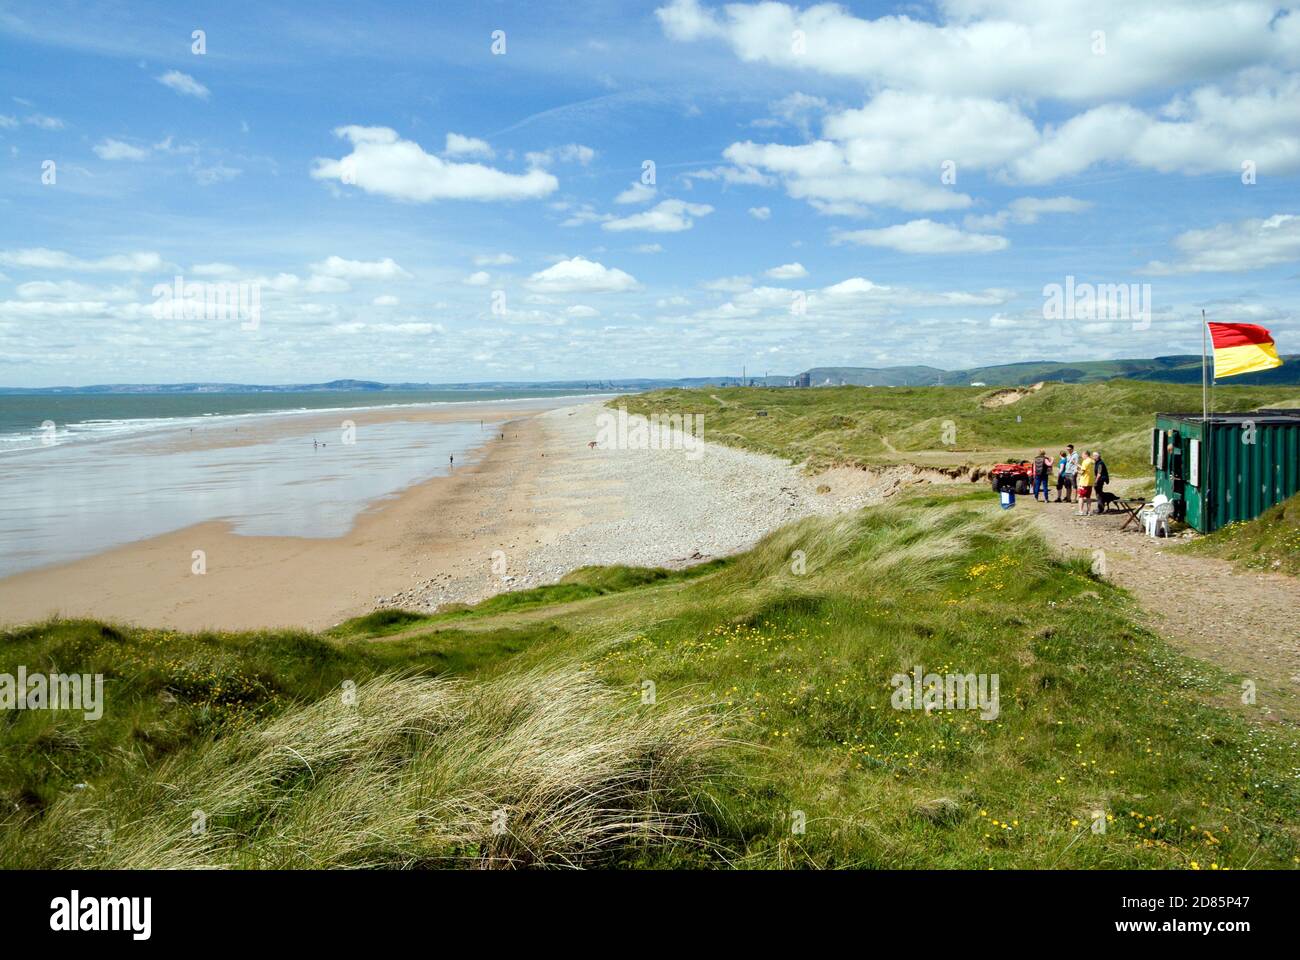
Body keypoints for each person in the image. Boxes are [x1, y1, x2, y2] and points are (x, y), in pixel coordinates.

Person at [1077, 449, 1096, 516]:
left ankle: (1080, 511)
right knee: (1088, 497)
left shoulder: (1085, 461)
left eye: (1082, 455)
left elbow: (1082, 472)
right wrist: (1077, 464)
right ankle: (1089, 511)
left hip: (1084, 482)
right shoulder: (1092, 461)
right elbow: (1086, 469)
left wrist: (1077, 471)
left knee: (1080, 497)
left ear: (1086, 454)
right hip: (1090, 481)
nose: (1082, 456)